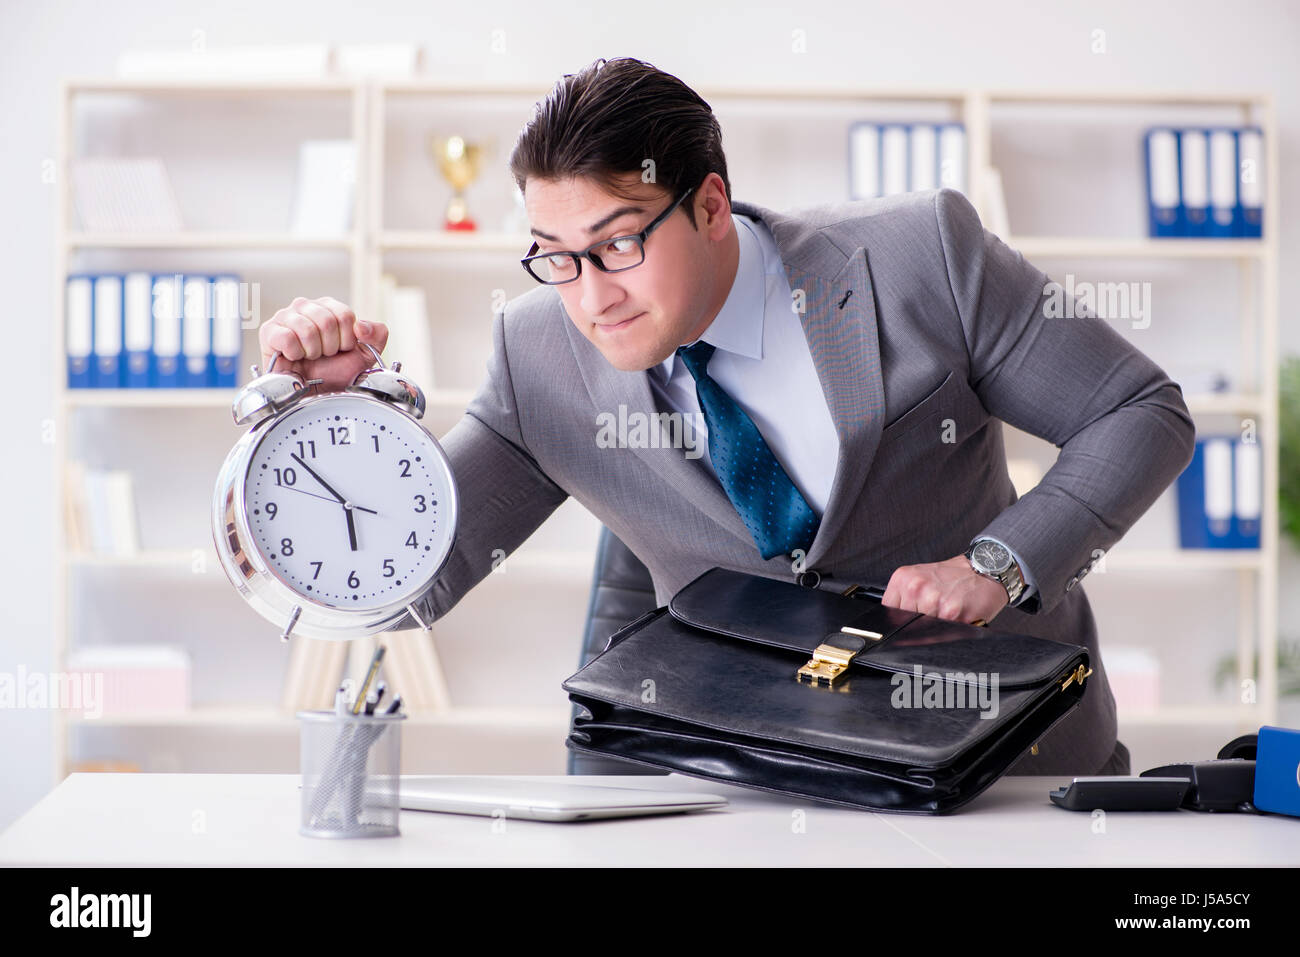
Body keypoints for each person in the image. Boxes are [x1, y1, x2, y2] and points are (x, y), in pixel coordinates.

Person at [258, 57, 1195, 776]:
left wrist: (998, 561)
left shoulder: (922, 258)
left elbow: (1137, 409)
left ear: (709, 203)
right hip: (755, 790)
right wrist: (339, 426)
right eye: (553, 255)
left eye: (618, 244)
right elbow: (398, 585)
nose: (590, 297)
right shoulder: (539, 357)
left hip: (1008, 764)